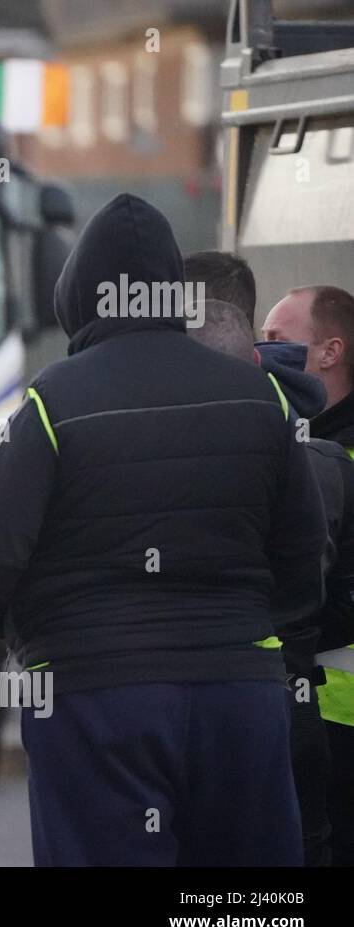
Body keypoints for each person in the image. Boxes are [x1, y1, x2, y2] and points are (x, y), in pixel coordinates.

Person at [0, 194, 325, 866]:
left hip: (96, 698)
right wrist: (239, 626)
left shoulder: (54, 400)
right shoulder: (256, 396)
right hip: (240, 693)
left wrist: (33, 637)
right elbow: (304, 551)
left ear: (79, 297)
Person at [185, 251, 354, 866]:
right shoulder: (315, 452)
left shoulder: (320, 458)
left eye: (279, 338)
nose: (268, 348)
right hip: (298, 703)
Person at [262, 282, 354, 865]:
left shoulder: (331, 454)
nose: (262, 351)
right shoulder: (299, 441)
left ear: (330, 351)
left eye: (276, 339)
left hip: (338, 717)